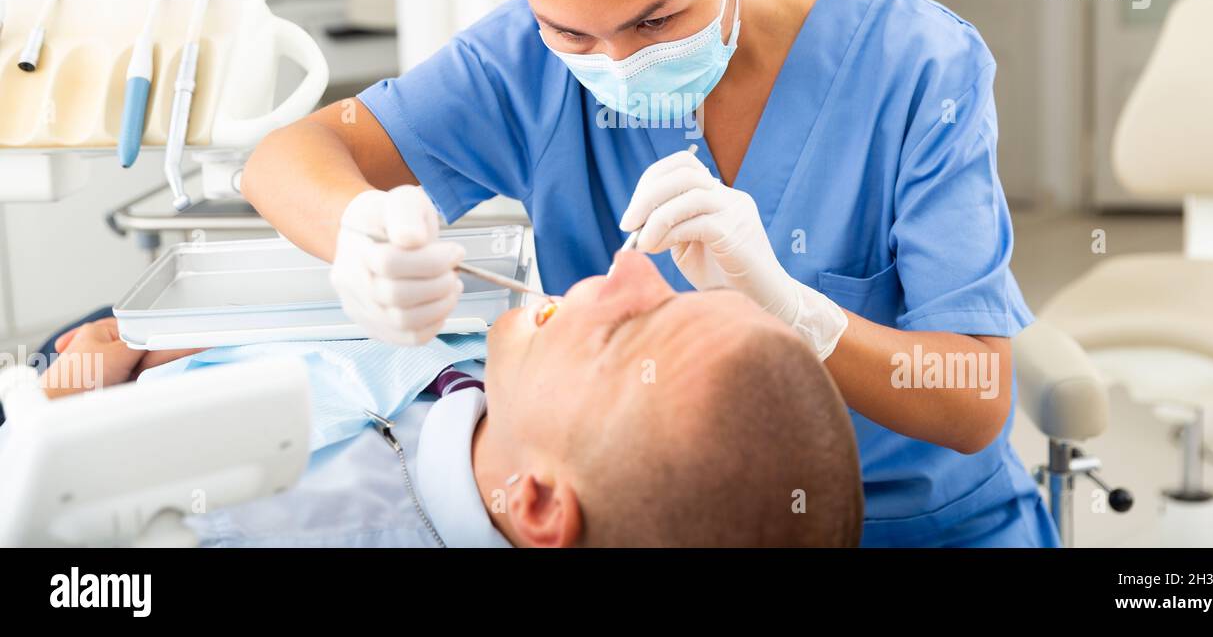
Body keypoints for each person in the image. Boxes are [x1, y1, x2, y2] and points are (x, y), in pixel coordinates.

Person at [243, 0, 1057, 546]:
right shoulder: (524, 59)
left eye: (656, 19)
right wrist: (358, 232)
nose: (616, 63)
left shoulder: (912, 63)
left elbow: (973, 399)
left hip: (925, 526)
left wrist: (799, 314)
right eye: (572, 36)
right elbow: (289, 158)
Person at [13, 251, 864, 547]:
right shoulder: (513, 381)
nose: (634, 271)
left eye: (623, 334)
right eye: (675, 296)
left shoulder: (263, 524)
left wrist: (69, 395)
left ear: (535, 505)